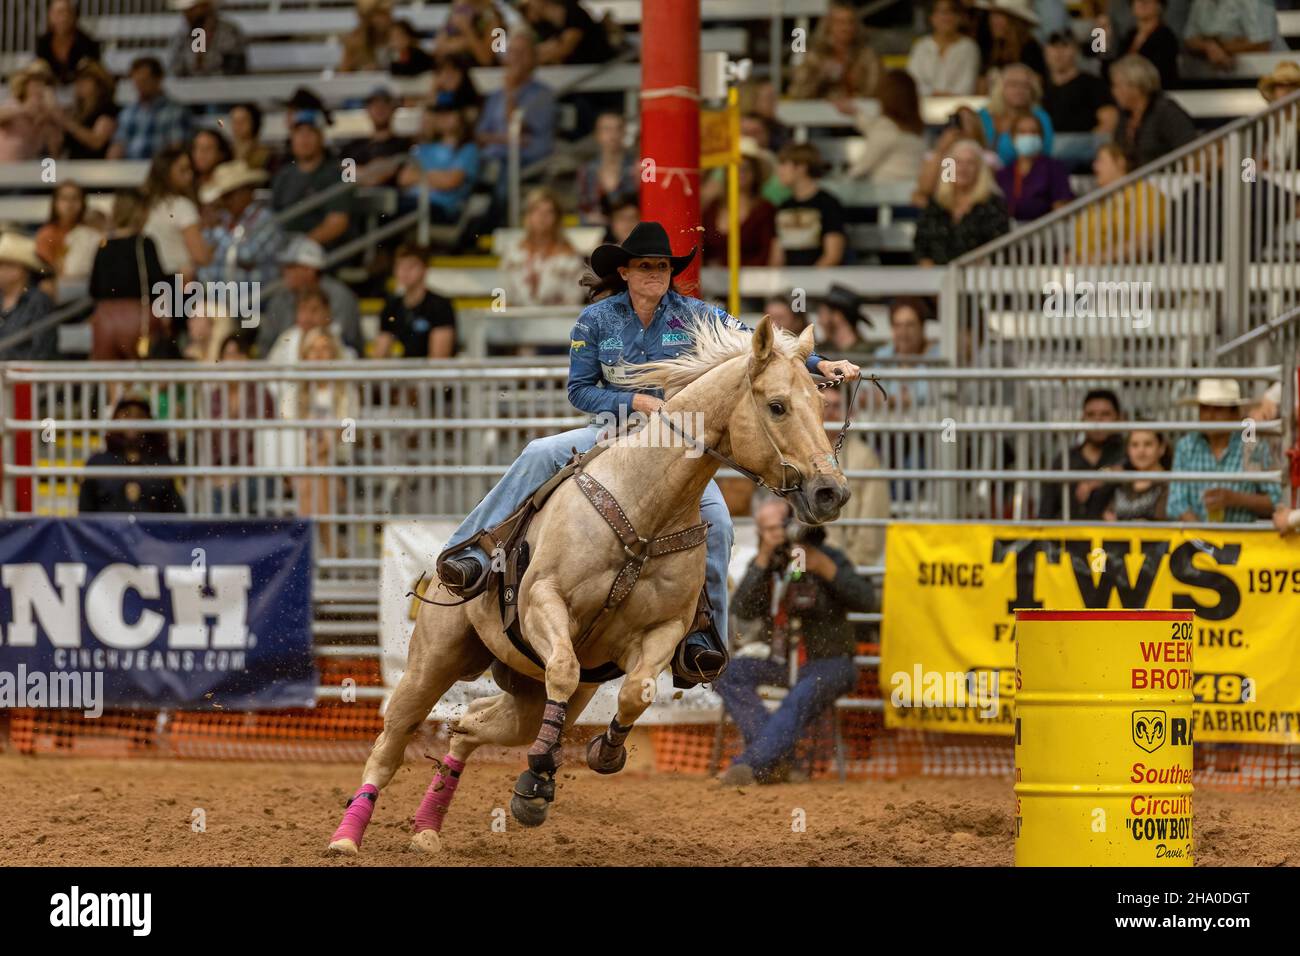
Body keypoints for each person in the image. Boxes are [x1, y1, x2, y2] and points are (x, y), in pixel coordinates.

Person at [434, 221, 863, 686]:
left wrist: (823, 364)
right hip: (610, 433)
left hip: (678, 445)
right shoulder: (595, 321)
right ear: (625, 272)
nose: (656, 274)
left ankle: (702, 638)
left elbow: (767, 348)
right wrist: (632, 402)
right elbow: (580, 391)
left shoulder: (696, 315)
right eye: (645, 266)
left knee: (716, 524)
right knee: (539, 452)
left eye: (662, 266)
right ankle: (473, 551)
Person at [716, 497, 875, 785]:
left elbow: (866, 600)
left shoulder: (826, 555)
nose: (778, 534)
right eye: (768, 529)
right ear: (760, 533)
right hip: (781, 660)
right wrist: (764, 559)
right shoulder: (767, 564)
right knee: (727, 673)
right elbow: (742, 609)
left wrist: (827, 570)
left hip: (830, 662)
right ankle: (782, 762)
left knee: (800, 695)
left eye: (781, 526)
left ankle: (750, 765)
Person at [1168, 379, 1282, 523]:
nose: (1209, 415)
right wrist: (1201, 536)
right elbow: (1176, 503)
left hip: (1240, 540)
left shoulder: (1252, 447)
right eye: (1205, 408)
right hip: (1195, 540)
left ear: (1234, 414)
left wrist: (1236, 499)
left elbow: (1277, 500)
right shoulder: (1186, 446)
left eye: (1218, 409)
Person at [87, 190, 170, 361]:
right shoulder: (144, 243)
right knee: (142, 379)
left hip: (105, 320)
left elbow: (94, 288)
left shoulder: (103, 245)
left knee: (110, 380)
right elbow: (158, 283)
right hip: (138, 318)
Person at [78, 394, 185, 514]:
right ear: (116, 419)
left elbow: (176, 516)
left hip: (150, 532)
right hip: (108, 532)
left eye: (140, 416)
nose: (133, 421)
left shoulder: (161, 463)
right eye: (127, 415)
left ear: (149, 421)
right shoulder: (98, 463)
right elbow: (85, 518)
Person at [820, 387, 890, 567]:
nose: (829, 413)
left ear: (850, 413)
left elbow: (873, 517)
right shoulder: (795, 454)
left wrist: (851, 566)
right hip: (804, 562)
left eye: (836, 406)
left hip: (844, 564)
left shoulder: (865, 457)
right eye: (823, 405)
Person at [257, 237, 362, 356]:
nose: (285, 272)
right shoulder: (280, 298)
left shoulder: (340, 296)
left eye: (291, 267)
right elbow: (266, 344)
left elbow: (345, 341)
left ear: (309, 270)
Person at [209, 334, 277, 515]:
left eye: (237, 354)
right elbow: (211, 445)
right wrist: (215, 473)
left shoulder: (262, 395)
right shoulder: (214, 397)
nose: (232, 360)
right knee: (206, 491)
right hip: (223, 475)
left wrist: (235, 475)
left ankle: (222, 542)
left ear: (247, 359)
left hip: (258, 475)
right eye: (228, 355)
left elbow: (266, 445)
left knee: (222, 495)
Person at [914, 139, 1011, 266]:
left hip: (980, 278)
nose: (963, 168)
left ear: (979, 169)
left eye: (970, 163)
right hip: (935, 278)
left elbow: (999, 249)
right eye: (958, 162)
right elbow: (921, 246)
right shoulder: (936, 203)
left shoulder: (993, 204)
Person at [1037, 388, 1127, 520]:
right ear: (1082, 419)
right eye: (1091, 415)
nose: (1097, 420)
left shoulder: (1129, 456)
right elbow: (1046, 513)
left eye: (1105, 414)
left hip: (1114, 539)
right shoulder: (1065, 460)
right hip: (1069, 538)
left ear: (1119, 419)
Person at [271, 111, 354, 249]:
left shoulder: (336, 174)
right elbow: (273, 218)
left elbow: (338, 222)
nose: (304, 138)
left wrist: (301, 247)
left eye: (311, 132)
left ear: (321, 137)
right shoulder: (283, 175)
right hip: (285, 249)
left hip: (323, 252)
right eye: (299, 132)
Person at [1073, 142, 1166, 262]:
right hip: (1091, 274)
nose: (1094, 167)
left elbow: (1145, 242)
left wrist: (1100, 259)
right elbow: (1080, 247)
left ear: (1120, 162)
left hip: (1133, 275)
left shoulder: (1144, 193)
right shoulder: (1095, 201)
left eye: (1100, 161)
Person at [476, 33, 557, 169]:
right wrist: (505, 139)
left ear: (534, 59)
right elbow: (481, 135)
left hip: (526, 161)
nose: (516, 58)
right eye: (512, 52)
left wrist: (509, 92)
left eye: (522, 52)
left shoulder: (543, 95)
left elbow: (516, 129)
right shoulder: (495, 96)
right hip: (493, 157)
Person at [198, 160, 282, 285]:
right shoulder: (224, 218)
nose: (225, 202)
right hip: (218, 293)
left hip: (254, 296)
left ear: (247, 191)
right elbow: (205, 252)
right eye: (223, 197)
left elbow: (247, 255)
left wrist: (217, 230)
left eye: (229, 196)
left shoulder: (264, 218)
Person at [499, 187, 587, 307]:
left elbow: (574, 300)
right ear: (528, 216)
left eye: (549, 212)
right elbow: (502, 294)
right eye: (536, 210)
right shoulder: (513, 252)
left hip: (557, 322)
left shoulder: (569, 256)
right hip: (517, 323)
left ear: (557, 218)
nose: (542, 216)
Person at [1042, 29, 1117, 167]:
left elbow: (1109, 122)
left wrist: (1080, 145)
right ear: (1046, 51)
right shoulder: (1041, 87)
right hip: (1048, 150)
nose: (1058, 52)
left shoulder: (1092, 83)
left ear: (1075, 50)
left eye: (1064, 46)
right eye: (1053, 46)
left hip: (1083, 150)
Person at [838, 69, 926, 184]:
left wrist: (840, 184)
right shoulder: (912, 127)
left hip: (888, 195)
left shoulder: (887, 128)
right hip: (909, 191)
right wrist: (855, 113)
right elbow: (875, 131)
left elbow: (863, 166)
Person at [1110, 53, 1196, 168]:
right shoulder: (1124, 116)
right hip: (1134, 182)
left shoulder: (1166, 111)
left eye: (1117, 85)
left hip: (1169, 180)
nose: (1113, 91)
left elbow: (1190, 151)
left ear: (1135, 86)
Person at [398, 101, 479, 224]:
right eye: (439, 113)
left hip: (441, 208)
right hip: (412, 202)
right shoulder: (424, 147)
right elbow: (404, 178)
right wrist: (436, 178)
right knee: (383, 208)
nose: (443, 117)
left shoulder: (468, 149)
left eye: (449, 112)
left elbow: (451, 181)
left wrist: (420, 176)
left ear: (460, 116)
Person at [770, 143, 847, 268]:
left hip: (818, 282)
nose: (779, 171)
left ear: (801, 167)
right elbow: (777, 256)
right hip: (789, 283)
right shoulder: (784, 206)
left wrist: (809, 281)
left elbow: (832, 255)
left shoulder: (827, 204)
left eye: (784, 165)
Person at [373, 244, 457, 358]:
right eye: (400, 266)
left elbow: (439, 358)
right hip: (408, 370)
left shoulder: (440, 306)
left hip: (431, 372)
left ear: (424, 269)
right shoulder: (392, 306)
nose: (405, 272)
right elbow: (380, 354)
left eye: (411, 266)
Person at [143, 145, 212, 280]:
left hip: (151, 281)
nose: (190, 175)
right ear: (166, 172)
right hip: (180, 281)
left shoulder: (145, 205)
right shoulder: (183, 206)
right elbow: (200, 256)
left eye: (190, 169)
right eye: (183, 170)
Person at [788, 1, 882, 100]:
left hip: (858, 111)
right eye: (840, 22)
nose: (845, 28)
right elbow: (797, 93)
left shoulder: (867, 56)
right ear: (829, 25)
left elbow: (877, 90)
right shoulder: (815, 56)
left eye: (850, 22)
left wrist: (853, 82)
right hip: (819, 112)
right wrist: (820, 75)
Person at [701, 145, 776, 267]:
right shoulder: (712, 208)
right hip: (712, 281)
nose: (741, 174)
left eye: (746, 169)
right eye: (735, 169)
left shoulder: (764, 209)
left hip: (755, 281)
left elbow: (768, 252)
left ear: (755, 174)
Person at [994, 112, 1073, 221]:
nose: (1028, 136)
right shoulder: (1003, 174)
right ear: (1012, 138)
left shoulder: (1054, 168)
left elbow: (1062, 208)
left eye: (1033, 132)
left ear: (1041, 137)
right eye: (1022, 132)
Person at [107, 57, 190, 160]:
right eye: (137, 81)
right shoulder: (127, 113)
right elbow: (118, 146)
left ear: (158, 79)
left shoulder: (176, 112)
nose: (140, 86)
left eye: (144, 80)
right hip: (130, 170)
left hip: (160, 170)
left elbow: (177, 149)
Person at [978, 62, 1056, 166]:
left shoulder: (1040, 117)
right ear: (1001, 87)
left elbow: (1045, 155)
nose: (1019, 90)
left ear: (1032, 90)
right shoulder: (983, 115)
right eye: (1013, 84)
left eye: (1025, 86)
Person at [0, 233, 57, 362]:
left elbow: (42, 350)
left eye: (4, 264)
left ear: (20, 270)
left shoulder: (39, 301)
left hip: (26, 377)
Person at [1185, 0, 1284, 73]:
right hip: (1219, 76)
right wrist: (1208, 46)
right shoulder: (1200, 3)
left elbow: (1262, 45)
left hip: (1271, 73)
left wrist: (1220, 47)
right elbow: (1189, 39)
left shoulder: (1255, 2)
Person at [342, 87, 413, 188]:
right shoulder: (353, 145)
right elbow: (345, 175)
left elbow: (384, 175)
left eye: (385, 104)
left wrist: (360, 172)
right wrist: (371, 171)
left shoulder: (403, 143)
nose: (380, 108)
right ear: (368, 110)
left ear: (393, 109)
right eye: (374, 104)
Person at [908, 0, 981, 97]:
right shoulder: (921, 46)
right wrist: (934, 94)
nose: (946, 18)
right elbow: (913, 82)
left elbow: (967, 86)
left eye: (951, 12)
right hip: (925, 105)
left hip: (958, 106)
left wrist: (944, 98)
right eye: (941, 12)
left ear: (959, 17)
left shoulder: (969, 48)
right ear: (932, 17)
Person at [35, 181, 102, 283]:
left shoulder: (91, 235)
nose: (69, 204)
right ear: (55, 203)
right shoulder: (46, 234)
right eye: (64, 199)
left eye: (75, 199)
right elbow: (45, 271)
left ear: (83, 203)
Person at [576, 112, 636, 226]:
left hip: (631, 233)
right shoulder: (586, 171)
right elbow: (581, 211)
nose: (613, 135)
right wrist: (589, 218)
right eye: (607, 129)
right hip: (596, 233)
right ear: (597, 135)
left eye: (618, 129)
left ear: (624, 133)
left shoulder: (637, 168)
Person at [1101, 426, 1170, 521]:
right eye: (1134, 445)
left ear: (1161, 448)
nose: (1141, 451)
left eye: (1148, 444)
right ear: (1128, 450)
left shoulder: (1169, 484)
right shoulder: (1124, 482)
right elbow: (1109, 514)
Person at [0, 59, 63, 162]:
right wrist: (23, 110)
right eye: (35, 84)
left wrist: (49, 114)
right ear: (25, 86)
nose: (39, 89)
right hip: (5, 168)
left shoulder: (47, 113)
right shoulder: (14, 103)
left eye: (43, 84)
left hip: (29, 170)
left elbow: (55, 151)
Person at [55, 57, 118, 160]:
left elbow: (97, 142)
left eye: (85, 79)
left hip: (95, 167)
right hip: (72, 165)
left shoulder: (107, 109)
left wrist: (68, 124)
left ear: (98, 84)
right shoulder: (76, 112)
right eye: (77, 80)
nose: (79, 84)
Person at [1112, 0, 1182, 90]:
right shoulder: (1130, 36)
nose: (1142, 2)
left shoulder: (1165, 37)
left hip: (1153, 92)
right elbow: (1115, 66)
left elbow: (1160, 73)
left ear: (1160, 6)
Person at [167, 0, 247, 77]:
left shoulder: (229, 31)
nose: (187, 14)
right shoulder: (181, 36)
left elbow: (235, 68)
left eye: (192, 9)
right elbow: (175, 70)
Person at [522, 0, 616, 65]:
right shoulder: (546, 25)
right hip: (577, 77)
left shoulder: (574, 13)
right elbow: (548, 48)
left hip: (600, 76)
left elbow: (563, 50)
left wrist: (526, 59)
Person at [976, 0, 1046, 80]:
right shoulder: (993, 47)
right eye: (992, 14)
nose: (992, 21)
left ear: (1014, 21)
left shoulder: (1030, 49)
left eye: (999, 15)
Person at [36, 0, 102, 85]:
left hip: (81, 88)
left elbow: (95, 73)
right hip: (50, 88)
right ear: (50, 15)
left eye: (67, 12)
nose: (63, 18)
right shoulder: (43, 43)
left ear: (75, 16)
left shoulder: (87, 43)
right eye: (59, 13)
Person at [433, 0, 508, 67]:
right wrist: (465, 44)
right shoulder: (459, 12)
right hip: (455, 70)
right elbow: (439, 48)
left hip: (478, 72)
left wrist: (467, 30)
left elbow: (486, 59)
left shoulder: (491, 17)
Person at [340, 0, 397, 72]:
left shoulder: (399, 35)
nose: (382, 20)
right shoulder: (354, 41)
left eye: (386, 14)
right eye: (378, 14)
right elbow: (344, 72)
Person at [816, 284, 873, 353]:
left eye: (822, 314)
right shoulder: (823, 351)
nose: (819, 322)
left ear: (838, 316)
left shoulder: (866, 353)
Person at [229, 102, 271, 170]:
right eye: (234, 121)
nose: (238, 125)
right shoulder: (226, 153)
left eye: (243, 120)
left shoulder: (264, 154)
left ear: (254, 122)